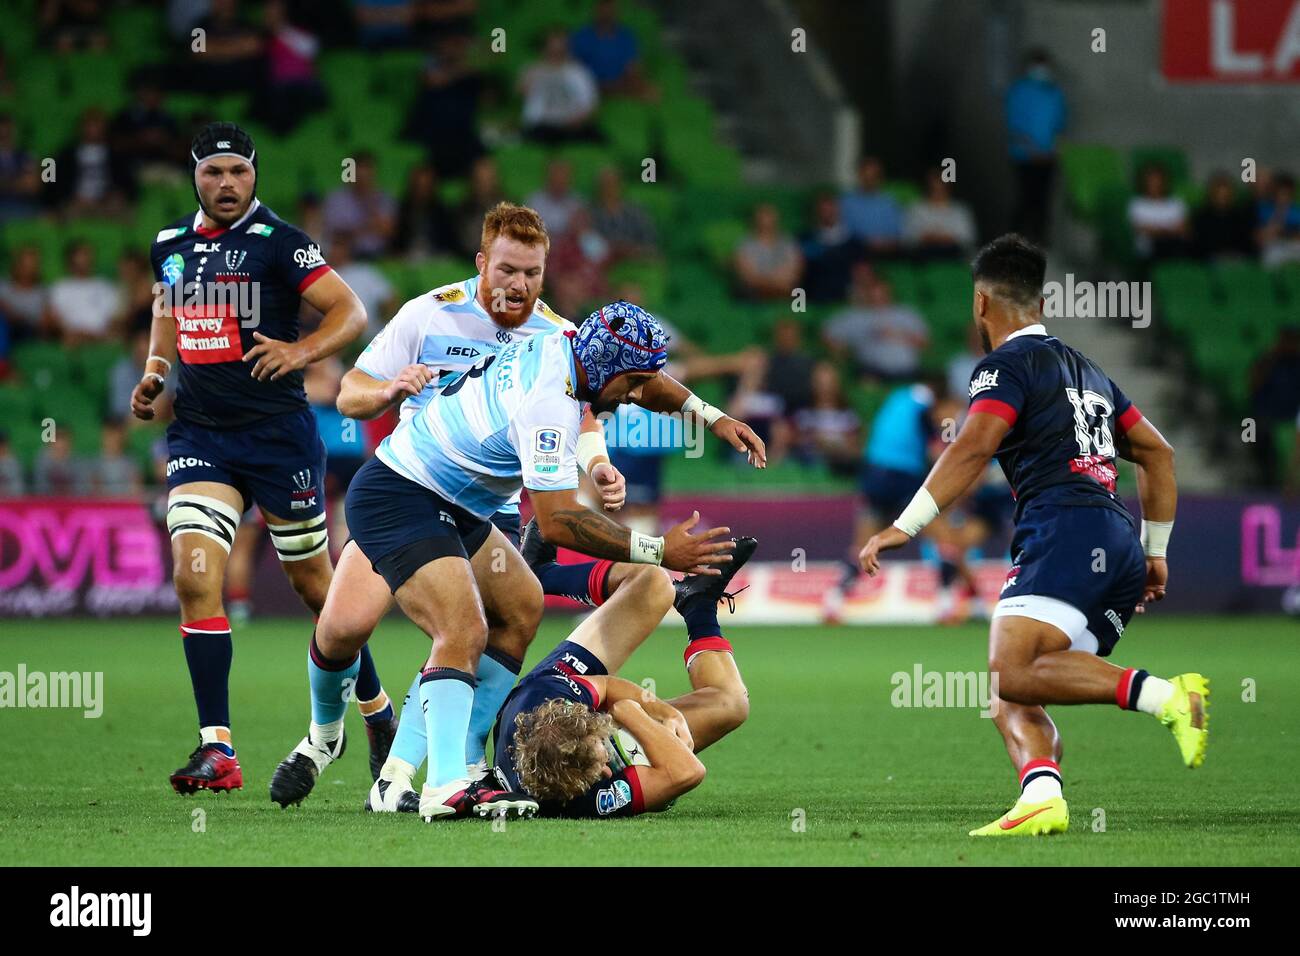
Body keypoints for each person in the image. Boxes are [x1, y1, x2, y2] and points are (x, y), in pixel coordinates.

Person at [267, 204, 767, 813]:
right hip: (405, 490)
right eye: (508, 268)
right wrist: (660, 549)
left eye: (533, 271)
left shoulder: (566, 340)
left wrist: (711, 417)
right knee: (448, 628)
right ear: (482, 263)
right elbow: (558, 521)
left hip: (466, 501)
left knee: (521, 606)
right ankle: (432, 780)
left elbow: (645, 378)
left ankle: (458, 763)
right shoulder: (535, 391)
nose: (634, 397)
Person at [859, 233, 1207, 836]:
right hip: (1115, 541)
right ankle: (1042, 794)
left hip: (1066, 530)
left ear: (980, 304)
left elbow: (973, 446)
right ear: (1040, 302)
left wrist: (904, 525)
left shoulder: (1004, 366)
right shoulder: (1091, 373)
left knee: (1010, 671)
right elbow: (1158, 453)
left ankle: (1168, 697)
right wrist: (1155, 555)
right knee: (1015, 690)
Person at [130, 122, 396, 796]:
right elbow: (168, 308)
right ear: (194, 176)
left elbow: (351, 311)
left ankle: (377, 712)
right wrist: (157, 370)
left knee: (319, 594)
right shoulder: (169, 244)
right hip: (202, 437)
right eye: (214, 172)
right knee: (194, 575)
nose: (227, 184)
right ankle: (217, 749)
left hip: (279, 439)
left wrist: (302, 353)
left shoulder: (280, 244)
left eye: (239, 173)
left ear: (255, 176)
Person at [490, 537, 757, 818]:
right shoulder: (584, 802)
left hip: (555, 683)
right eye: (603, 756)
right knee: (731, 705)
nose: (608, 762)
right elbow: (686, 772)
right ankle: (699, 605)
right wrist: (630, 712)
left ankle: (542, 573)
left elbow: (605, 686)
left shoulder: (547, 695)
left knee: (652, 584)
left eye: (601, 744)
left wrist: (662, 712)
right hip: (574, 744)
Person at [824, 265, 929, 382]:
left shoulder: (906, 313)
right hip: (872, 372)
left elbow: (924, 343)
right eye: (873, 292)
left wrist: (897, 335)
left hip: (908, 371)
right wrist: (845, 353)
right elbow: (828, 334)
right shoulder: (855, 316)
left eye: (882, 292)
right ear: (866, 293)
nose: (878, 296)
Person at [1005, 50, 1067, 244]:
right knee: (1025, 198)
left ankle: (1041, 242)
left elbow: (1061, 124)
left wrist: (1054, 149)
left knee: (1043, 201)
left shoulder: (1055, 93)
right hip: (1024, 156)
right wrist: (1032, 150)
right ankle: (1013, 242)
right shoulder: (1018, 90)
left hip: (1048, 157)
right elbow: (1014, 124)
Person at [519, 28, 601, 144]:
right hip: (542, 127)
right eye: (552, 46)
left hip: (572, 127)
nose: (556, 50)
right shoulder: (533, 71)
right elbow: (524, 94)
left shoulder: (580, 72)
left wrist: (573, 122)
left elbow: (590, 105)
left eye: (560, 46)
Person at [47, 241, 118, 344]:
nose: (84, 260)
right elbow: (53, 319)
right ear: (70, 260)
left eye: (87, 255)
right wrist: (71, 334)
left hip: (101, 339)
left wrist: (98, 335)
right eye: (80, 256)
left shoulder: (105, 287)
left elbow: (114, 319)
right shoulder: (60, 288)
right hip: (70, 339)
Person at [733, 203, 803, 302]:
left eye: (769, 215)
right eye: (762, 216)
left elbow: (794, 271)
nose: (765, 220)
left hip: (785, 288)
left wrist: (781, 284)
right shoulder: (744, 244)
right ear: (755, 219)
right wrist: (773, 285)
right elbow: (747, 276)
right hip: (756, 291)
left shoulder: (788, 242)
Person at [904, 167, 978, 259]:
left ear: (948, 187)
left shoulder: (960, 210)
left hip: (955, 256)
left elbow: (968, 238)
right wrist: (929, 238)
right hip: (923, 256)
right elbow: (908, 237)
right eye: (934, 186)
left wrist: (945, 239)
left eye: (942, 185)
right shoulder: (915, 208)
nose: (938, 189)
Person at [839, 156, 904, 256]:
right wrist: (867, 242)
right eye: (866, 175)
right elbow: (843, 232)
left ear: (880, 178)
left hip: (888, 253)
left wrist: (884, 243)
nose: (870, 179)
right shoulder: (846, 202)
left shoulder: (890, 202)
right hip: (856, 253)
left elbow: (897, 231)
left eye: (874, 176)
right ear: (860, 175)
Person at [1128, 164, 1189, 262]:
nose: (1155, 183)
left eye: (1158, 180)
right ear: (1145, 182)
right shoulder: (1137, 204)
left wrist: (1158, 230)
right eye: (1151, 180)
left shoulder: (1176, 203)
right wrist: (1168, 230)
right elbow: (1140, 229)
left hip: (1174, 243)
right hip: (1149, 247)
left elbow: (1183, 228)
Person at [1192, 172, 1255, 261]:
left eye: (1225, 195)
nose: (1222, 198)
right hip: (1209, 260)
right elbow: (1199, 245)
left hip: (1237, 258)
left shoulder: (1240, 216)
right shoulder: (1200, 216)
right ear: (1211, 194)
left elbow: (1246, 243)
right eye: (1218, 194)